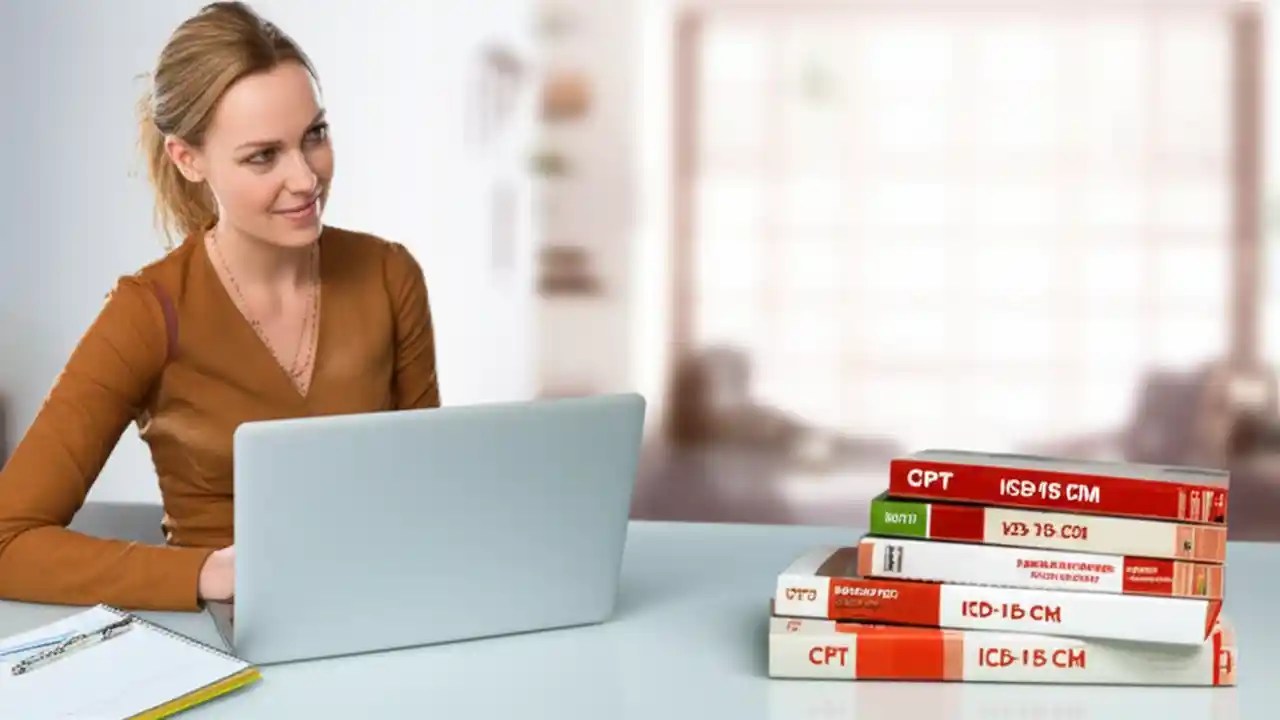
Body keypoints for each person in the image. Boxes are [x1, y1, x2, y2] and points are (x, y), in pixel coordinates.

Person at [0, 2, 440, 611]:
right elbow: (6, 540)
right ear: (189, 159)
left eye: (314, 136)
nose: (307, 179)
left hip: (383, 609)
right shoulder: (147, 311)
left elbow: (426, 488)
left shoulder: (390, 275)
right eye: (263, 156)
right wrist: (204, 575)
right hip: (225, 630)